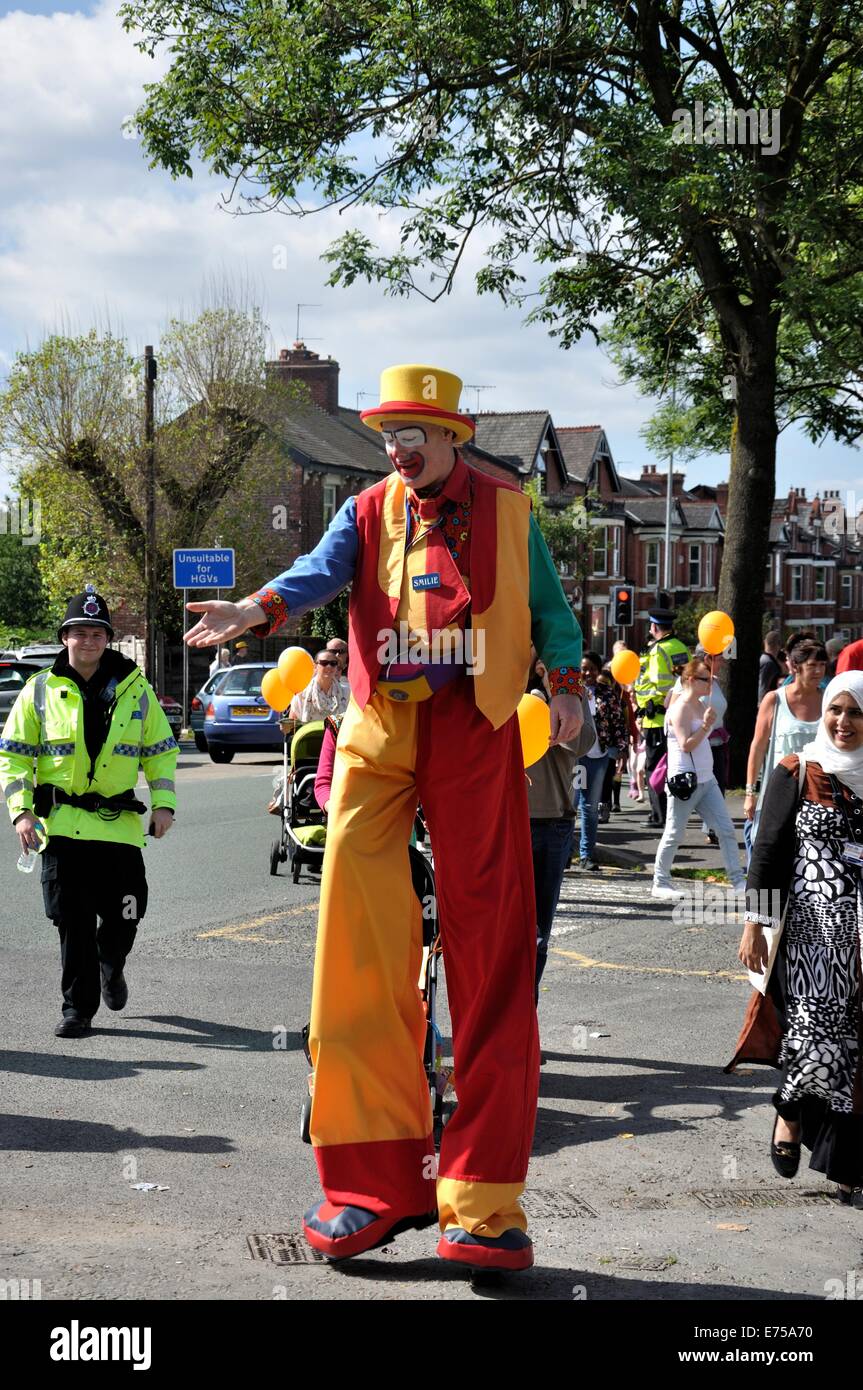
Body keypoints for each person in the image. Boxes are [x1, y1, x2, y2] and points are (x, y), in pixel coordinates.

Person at [182, 362, 584, 1272]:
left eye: (415, 432)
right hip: (377, 731)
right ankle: (369, 1186)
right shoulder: (365, 511)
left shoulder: (511, 510)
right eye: (389, 434)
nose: (398, 448)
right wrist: (255, 606)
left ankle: (481, 1203)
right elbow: (321, 574)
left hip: (477, 730)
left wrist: (564, 688)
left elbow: (551, 613)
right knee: (353, 947)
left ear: (454, 436)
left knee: (491, 951)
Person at [0, 586, 177, 1038]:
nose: (88, 640)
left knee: (128, 912)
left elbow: (159, 752)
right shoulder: (40, 690)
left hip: (118, 828)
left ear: (107, 638)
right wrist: (21, 812)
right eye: (79, 632)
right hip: (61, 826)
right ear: (65, 638)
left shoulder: (136, 688)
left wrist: (164, 805)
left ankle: (111, 963)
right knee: (71, 921)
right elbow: (15, 757)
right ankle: (78, 1009)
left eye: (97, 632)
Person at [733, 672, 863, 1202]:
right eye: (836, 710)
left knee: (851, 1044)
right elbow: (767, 852)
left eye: (856, 713)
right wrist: (756, 924)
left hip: (859, 938)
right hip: (809, 931)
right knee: (812, 1033)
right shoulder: (798, 769)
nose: (843, 722)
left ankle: (843, 1156)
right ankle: (789, 1109)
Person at [652, 658, 746, 901]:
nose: (711, 683)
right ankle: (660, 881)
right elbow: (686, 745)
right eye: (706, 679)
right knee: (674, 832)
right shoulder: (681, 707)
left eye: (711, 679)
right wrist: (706, 726)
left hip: (706, 779)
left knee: (725, 830)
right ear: (691, 680)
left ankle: (737, 880)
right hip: (685, 781)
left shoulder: (700, 703)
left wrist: (707, 724)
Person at [525, 656, 579, 1004]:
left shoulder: (569, 693)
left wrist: (551, 693)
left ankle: (524, 1016)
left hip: (552, 823)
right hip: (504, 821)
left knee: (538, 933)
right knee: (499, 929)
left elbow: (582, 743)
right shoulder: (495, 686)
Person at [743, 639, 826, 864]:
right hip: (779, 792)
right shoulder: (775, 700)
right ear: (797, 667)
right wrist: (750, 793)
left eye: (822, 665)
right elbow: (758, 746)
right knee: (769, 860)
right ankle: (762, 900)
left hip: (816, 794)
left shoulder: (829, 700)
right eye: (812, 665)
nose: (819, 671)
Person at [667, 643, 730, 847]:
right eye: (719, 657)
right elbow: (673, 709)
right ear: (708, 658)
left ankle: (713, 829)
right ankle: (673, 840)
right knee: (689, 797)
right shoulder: (688, 681)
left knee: (717, 786)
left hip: (716, 740)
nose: (723, 661)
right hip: (696, 745)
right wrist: (700, 727)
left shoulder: (714, 681)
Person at [633, 609, 689, 828]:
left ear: (655, 627)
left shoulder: (657, 650)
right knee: (674, 767)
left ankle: (659, 815)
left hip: (656, 719)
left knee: (654, 768)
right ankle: (675, 814)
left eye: (650, 626)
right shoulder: (682, 647)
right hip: (679, 718)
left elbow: (658, 684)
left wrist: (645, 704)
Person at [576, 651, 627, 872]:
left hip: (599, 756)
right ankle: (565, 852)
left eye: (592, 669)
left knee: (590, 807)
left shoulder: (608, 693)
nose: (588, 673)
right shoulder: (570, 692)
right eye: (584, 668)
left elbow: (618, 721)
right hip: (575, 756)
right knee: (569, 806)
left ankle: (586, 855)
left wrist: (621, 749)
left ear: (598, 671)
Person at [289, 650, 350, 724]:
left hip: (338, 735)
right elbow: (292, 725)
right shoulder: (301, 694)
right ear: (315, 666)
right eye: (324, 663)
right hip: (311, 735)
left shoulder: (347, 693)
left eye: (333, 663)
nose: (329, 666)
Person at [758, 631, 784, 702]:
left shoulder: (765, 659)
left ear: (765, 642)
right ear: (778, 644)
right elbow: (763, 686)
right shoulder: (768, 663)